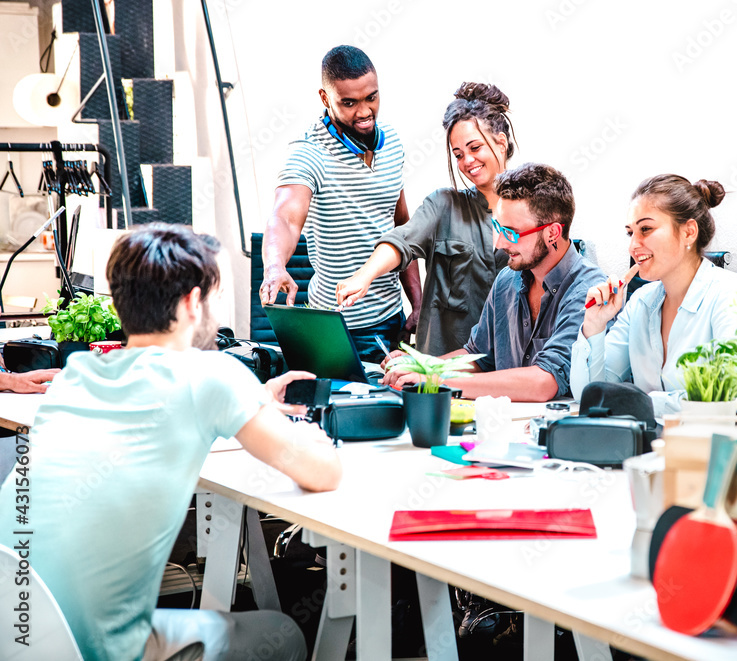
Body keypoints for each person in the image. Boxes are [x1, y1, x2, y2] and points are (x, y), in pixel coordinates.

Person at [0, 224, 342, 661]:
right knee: (282, 633)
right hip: (97, 651)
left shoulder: (75, 378)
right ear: (190, 303)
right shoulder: (212, 374)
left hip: (19, 634)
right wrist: (308, 426)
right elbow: (325, 474)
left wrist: (251, 402)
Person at [384, 163, 606, 402]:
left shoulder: (587, 288)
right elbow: (477, 356)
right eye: (498, 227)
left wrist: (435, 380)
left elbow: (544, 382)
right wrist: (422, 366)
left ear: (552, 233)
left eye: (511, 232)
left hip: (556, 431)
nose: (499, 243)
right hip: (502, 424)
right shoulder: (507, 280)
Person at [259, 45, 421, 362]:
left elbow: (402, 228)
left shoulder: (393, 142)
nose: (363, 112)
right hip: (338, 327)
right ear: (325, 98)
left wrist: (417, 302)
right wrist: (275, 265)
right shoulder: (309, 152)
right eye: (349, 103)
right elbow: (285, 218)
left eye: (371, 98)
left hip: (392, 320)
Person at [335, 82, 515, 355]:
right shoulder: (443, 205)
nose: (467, 161)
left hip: (503, 369)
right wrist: (364, 276)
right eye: (458, 154)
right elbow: (402, 241)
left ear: (500, 143)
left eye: (475, 148)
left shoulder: (530, 213)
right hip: (437, 376)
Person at [570, 174, 737, 415]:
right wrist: (594, 325)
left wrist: (641, 404)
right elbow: (589, 395)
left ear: (689, 233)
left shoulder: (732, 294)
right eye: (631, 233)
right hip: (644, 449)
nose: (633, 245)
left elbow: (736, 398)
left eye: (646, 229)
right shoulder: (640, 302)